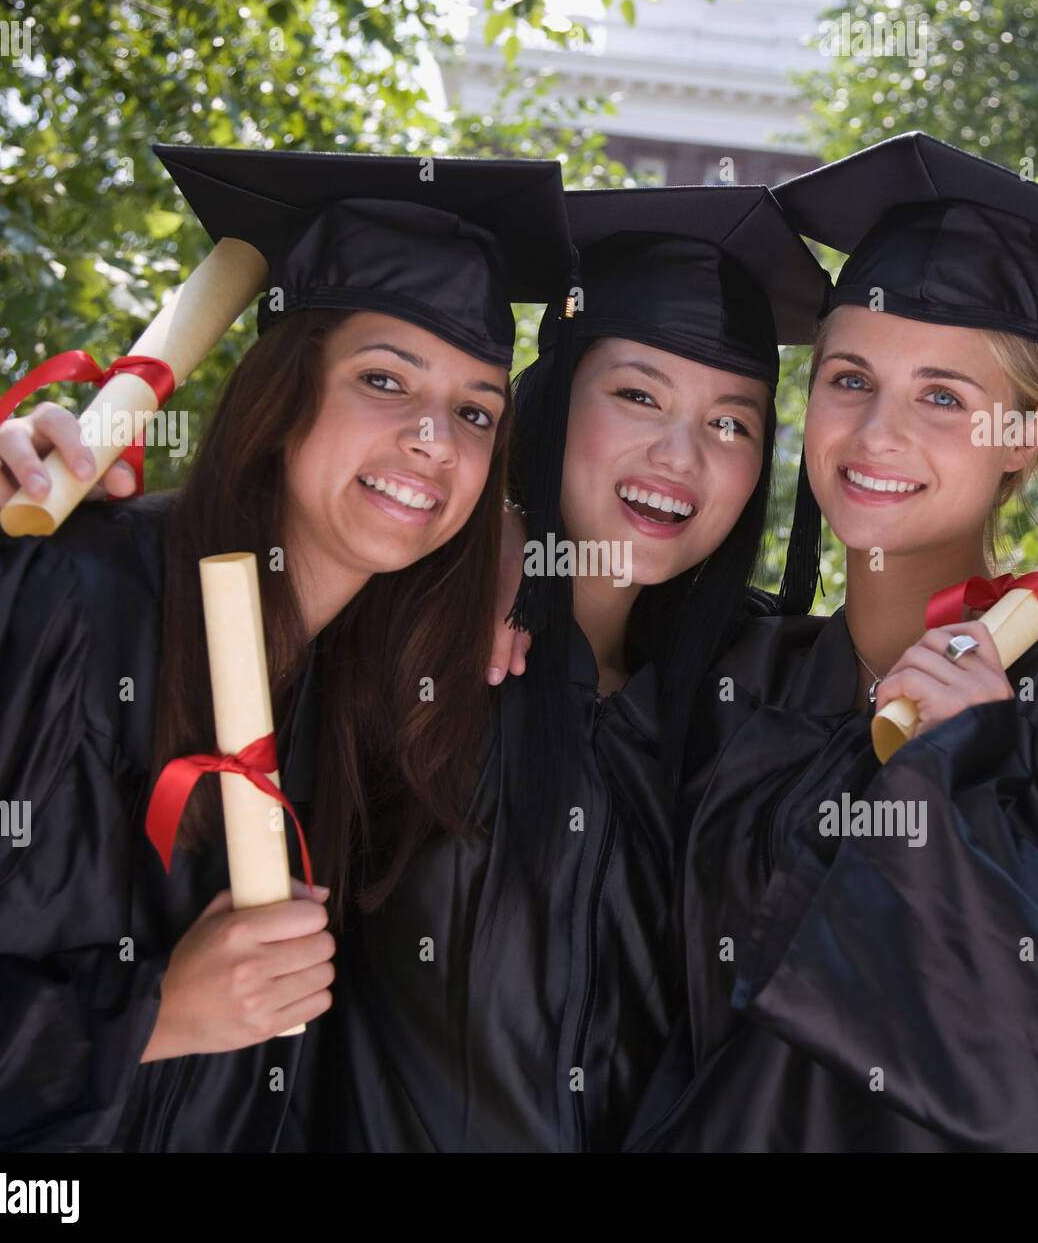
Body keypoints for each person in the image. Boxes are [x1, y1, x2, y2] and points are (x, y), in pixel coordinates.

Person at [0, 144, 571, 1151]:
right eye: (384, 378)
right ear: (282, 394)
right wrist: (149, 1016)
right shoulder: (55, 600)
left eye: (476, 411)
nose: (435, 440)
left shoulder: (365, 691)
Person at [627, 132, 1038, 1152]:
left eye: (942, 395)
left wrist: (963, 799)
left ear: (1031, 438)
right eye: (848, 379)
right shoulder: (723, 680)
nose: (876, 435)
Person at [283, 183, 833, 1151]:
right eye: (636, 395)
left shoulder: (758, 708)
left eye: (731, 423)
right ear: (545, 401)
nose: (680, 456)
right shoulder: (392, 638)